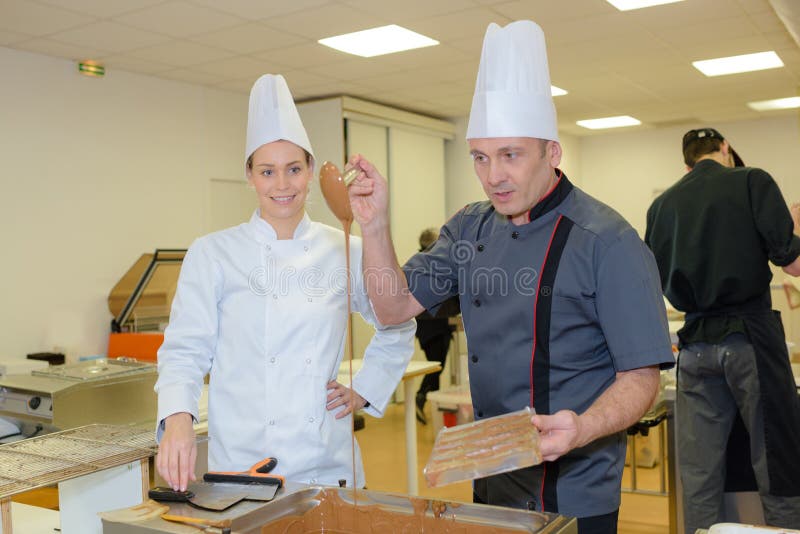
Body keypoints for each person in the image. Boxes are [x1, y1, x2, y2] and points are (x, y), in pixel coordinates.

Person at [348, 20, 674, 533]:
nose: (493, 175)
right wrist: (375, 226)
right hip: (492, 480)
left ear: (552, 152)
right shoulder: (469, 228)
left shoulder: (609, 243)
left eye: (511, 156)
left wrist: (584, 425)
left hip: (575, 488)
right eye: (480, 157)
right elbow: (391, 307)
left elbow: (642, 378)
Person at [154, 74, 415, 492]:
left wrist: (366, 389)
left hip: (326, 464)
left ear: (310, 170)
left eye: (294, 169)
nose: (282, 185)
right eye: (267, 171)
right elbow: (185, 350)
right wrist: (178, 422)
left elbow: (398, 323)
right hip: (243, 465)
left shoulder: (346, 249)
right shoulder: (213, 253)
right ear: (250, 176)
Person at [645, 127, 800, 532]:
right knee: (777, 460)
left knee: (699, 475)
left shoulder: (662, 206)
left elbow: (650, 283)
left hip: (694, 349)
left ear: (687, 163)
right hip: (751, 341)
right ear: (726, 149)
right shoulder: (752, 180)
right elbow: (792, 262)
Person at [412, 228, 461, 425]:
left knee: (436, 367)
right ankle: (422, 397)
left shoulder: (418, 262)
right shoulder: (435, 263)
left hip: (426, 325)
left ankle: (434, 407)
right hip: (436, 324)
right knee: (436, 367)